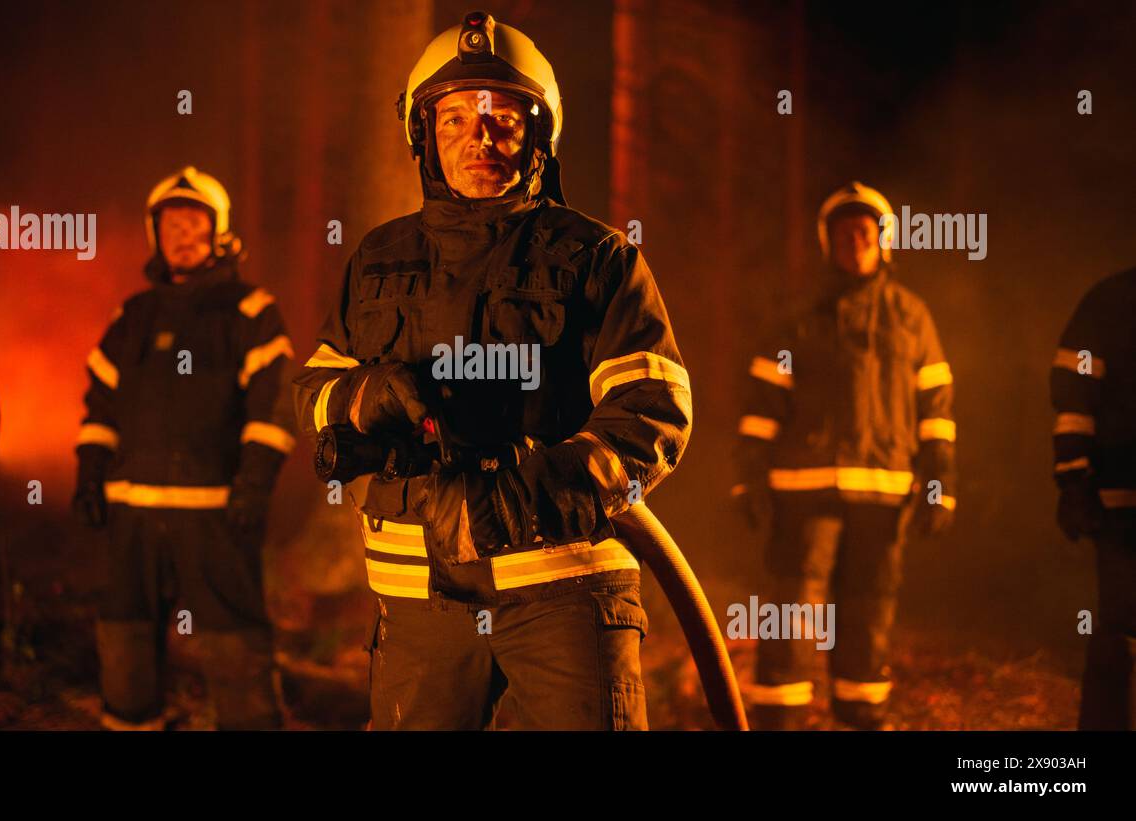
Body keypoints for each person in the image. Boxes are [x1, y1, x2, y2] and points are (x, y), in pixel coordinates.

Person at [293, 12, 692, 730]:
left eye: (501, 117)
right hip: (418, 605)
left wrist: (514, 502)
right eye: (453, 120)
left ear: (538, 135)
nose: (478, 137)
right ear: (423, 136)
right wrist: (360, 396)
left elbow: (651, 412)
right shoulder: (378, 259)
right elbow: (312, 391)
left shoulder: (597, 258)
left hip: (564, 596)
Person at [73, 167, 294, 730]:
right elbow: (100, 404)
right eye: (171, 224)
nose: (183, 234)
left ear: (219, 232)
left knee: (233, 640)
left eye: (195, 222)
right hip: (134, 510)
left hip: (214, 510)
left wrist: (253, 483)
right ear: (156, 235)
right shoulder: (133, 316)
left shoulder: (250, 312)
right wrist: (91, 468)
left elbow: (272, 409)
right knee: (125, 631)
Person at [733, 181, 955, 730]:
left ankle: (863, 714)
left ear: (885, 241)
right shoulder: (798, 316)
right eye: (842, 232)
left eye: (865, 230)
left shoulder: (912, 318)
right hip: (801, 496)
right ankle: (779, 720)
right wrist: (748, 480)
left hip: (884, 495)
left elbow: (936, 410)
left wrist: (940, 483)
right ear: (826, 242)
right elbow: (762, 407)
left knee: (869, 609)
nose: (854, 240)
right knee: (792, 614)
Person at [1051, 266, 1136, 730]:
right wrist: (1074, 478)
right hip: (1121, 505)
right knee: (1121, 636)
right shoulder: (1110, 302)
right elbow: (1074, 395)